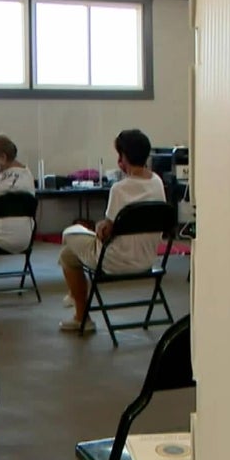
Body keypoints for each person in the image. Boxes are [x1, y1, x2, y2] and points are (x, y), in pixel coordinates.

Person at [59, 129, 166, 333]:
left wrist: (100, 226)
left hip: (115, 261)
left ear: (122, 158)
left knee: (68, 243)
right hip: (147, 260)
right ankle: (76, 302)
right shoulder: (157, 182)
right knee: (69, 253)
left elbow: (106, 232)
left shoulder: (119, 188)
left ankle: (81, 315)